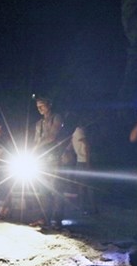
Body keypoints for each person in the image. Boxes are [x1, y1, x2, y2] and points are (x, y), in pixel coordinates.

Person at [32, 96, 65, 227]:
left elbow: (52, 136)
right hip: (42, 159)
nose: (39, 108)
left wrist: (37, 146)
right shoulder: (39, 124)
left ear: (49, 104)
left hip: (55, 157)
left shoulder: (57, 117)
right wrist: (33, 149)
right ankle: (44, 218)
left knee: (56, 188)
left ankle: (57, 220)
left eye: (42, 105)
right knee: (42, 189)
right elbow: (36, 140)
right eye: (37, 106)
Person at [69, 116, 98, 215]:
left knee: (87, 186)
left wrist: (88, 162)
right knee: (83, 186)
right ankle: (84, 207)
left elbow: (86, 145)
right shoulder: (75, 132)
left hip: (83, 161)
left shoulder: (78, 131)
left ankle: (91, 208)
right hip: (80, 160)